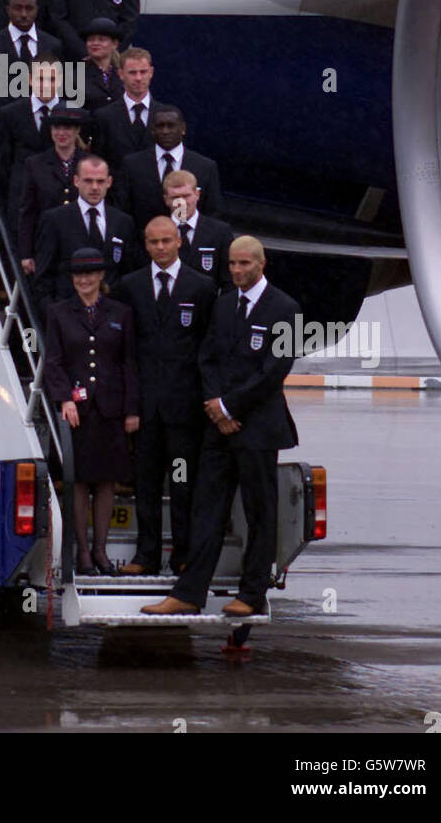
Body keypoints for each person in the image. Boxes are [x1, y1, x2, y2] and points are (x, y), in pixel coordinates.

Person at [141, 237, 300, 618]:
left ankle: (252, 593)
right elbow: (206, 357)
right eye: (231, 264)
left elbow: (274, 371)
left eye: (244, 263)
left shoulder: (287, 309)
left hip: (257, 428)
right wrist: (216, 407)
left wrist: (230, 405)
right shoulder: (224, 303)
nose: (236, 270)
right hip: (218, 427)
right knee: (206, 510)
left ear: (262, 264)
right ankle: (190, 592)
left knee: (260, 512)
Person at [113, 216, 217, 576]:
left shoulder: (201, 288)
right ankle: (146, 555)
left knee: (183, 483)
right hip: (145, 412)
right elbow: (126, 350)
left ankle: (183, 554)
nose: (160, 247)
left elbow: (207, 348)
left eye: (166, 241)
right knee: (146, 485)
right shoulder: (130, 286)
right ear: (145, 244)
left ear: (178, 242)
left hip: (183, 413)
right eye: (153, 241)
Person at [44, 248, 139, 575]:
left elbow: (128, 363)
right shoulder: (59, 312)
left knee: (107, 481)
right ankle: (82, 552)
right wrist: (64, 399)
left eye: (90, 274)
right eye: (78, 275)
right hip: (78, 410)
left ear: (101, 276)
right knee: (79, 481)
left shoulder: (121, 312)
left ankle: (101, 551)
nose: (84, 280)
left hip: (111, 408)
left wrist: (131, 409)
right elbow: (54, 361)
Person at [34, 154, 135, 309]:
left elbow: (126, 273)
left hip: (110, 317)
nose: (94, 187)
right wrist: (53, 314)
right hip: (67, 315)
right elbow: (43, 276)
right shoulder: (54, 219)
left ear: (109, 182)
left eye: (100, 181)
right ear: (76, 181)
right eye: (88, 181)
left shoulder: (122, 222)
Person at [0, 58, 63, 232]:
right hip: (21, 197)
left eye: (51, 79)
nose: (45, 85)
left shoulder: (72, 113)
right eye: (40, 79)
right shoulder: (11, 113)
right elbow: (1, 158)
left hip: (59, 201)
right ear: (29, 79)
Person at [113, 106, 223, 228]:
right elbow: (122, 209)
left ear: (183, 129)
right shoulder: (132, 165)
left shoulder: (205, 167)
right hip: (143, 241)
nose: (165, 131)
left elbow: (213, 212)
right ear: (152, 130)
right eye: (160, 126)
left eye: (171, 126)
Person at [18, 102, 89, 273]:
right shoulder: (35, 164)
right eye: (57, 127)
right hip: (46, 244)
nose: (62, 133)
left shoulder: (89, 162)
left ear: (77, 130)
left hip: (81, 241)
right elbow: (28, 211)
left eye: (68, 128)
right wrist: (26, 253)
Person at [0, 0, 62, 118]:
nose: (24, 14)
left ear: (37, 10)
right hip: (2, 123)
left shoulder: (52, 45)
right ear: (8, 10)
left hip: (41, 122)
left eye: (29, 8)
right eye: (18, 8)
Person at [164, 170, 234, 290]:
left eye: (186, 196)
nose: (182, 203)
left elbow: (229, 281)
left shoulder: (220, 233)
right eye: (175, 197)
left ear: (197, 194)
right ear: (166, 199)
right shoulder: (156, 232)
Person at [92, 48, 162, 169]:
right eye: (132, 73)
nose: (138, 78)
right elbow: (99, 162)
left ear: (151, 72)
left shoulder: (165, 115)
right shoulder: (104, 117)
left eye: (143, 72)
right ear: (121, 74)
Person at [77, 17, 123, 113]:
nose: (95, 43)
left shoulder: (123, 75)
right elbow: (71, 116)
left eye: (102, 40)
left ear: (114, 44)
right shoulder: (74, 76)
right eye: (91, 39)